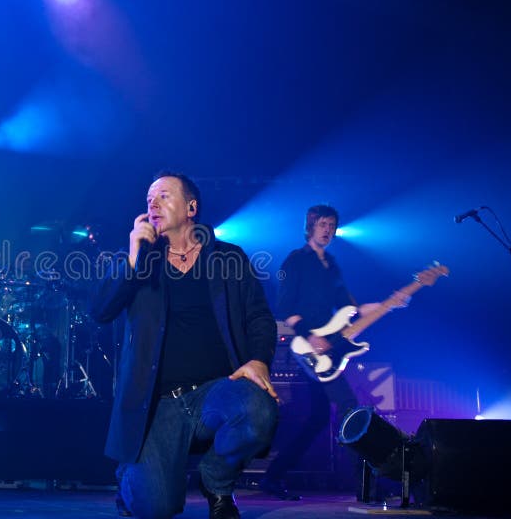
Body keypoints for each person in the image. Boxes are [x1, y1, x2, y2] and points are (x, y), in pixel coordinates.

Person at [90, 171, 280, 519]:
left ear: (191, 208)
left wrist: (259, 360)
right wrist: (132, 257)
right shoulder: (138, 261)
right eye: (149, 199)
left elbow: (259, 317)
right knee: (155, 508)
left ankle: (216, 483)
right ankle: (129, 478)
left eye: (163, 195)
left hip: (216, 392)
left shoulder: (228, 258)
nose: (153, 203)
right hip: (158, 404)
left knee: (258, 410)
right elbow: (100, 310)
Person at [259, 204, 405, 499]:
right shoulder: (295, 260)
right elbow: (284, 307)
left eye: (331, 225)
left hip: (329, 350)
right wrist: (310, 335)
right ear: (310, 226)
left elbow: (348, 306)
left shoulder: (333, 264)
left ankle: (273, 476)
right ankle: (367, 487)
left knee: (317, 418)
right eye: (322, 224)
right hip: (308, 348)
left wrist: (387, 304)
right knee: (350, 407)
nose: (328, 229)